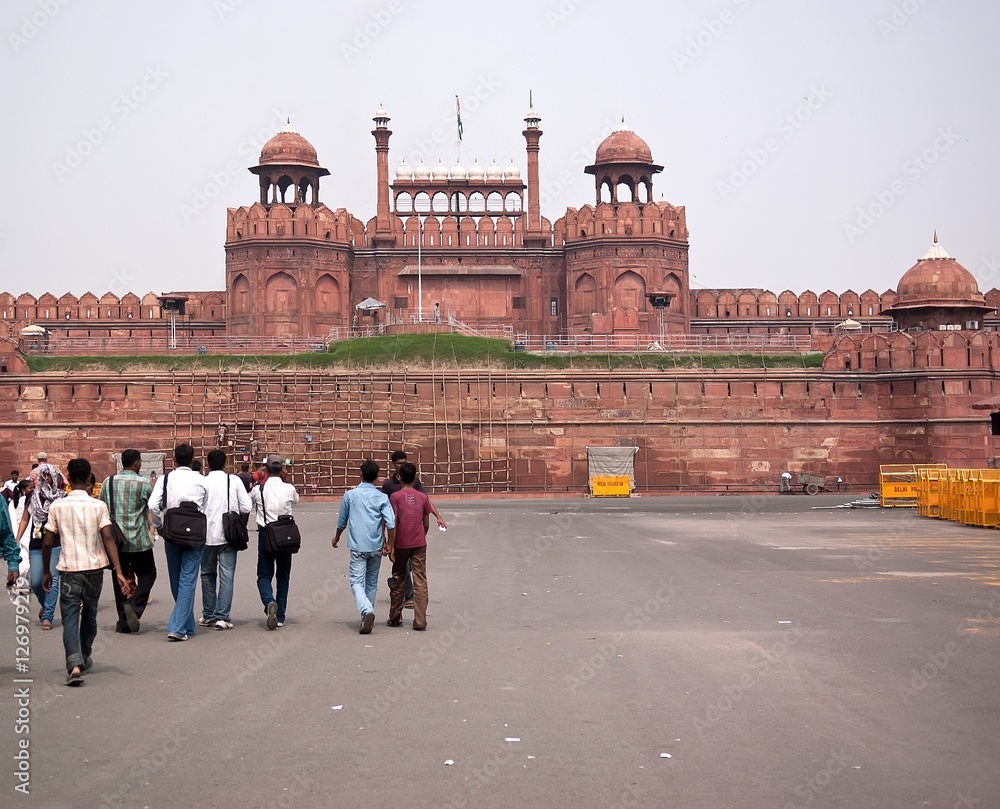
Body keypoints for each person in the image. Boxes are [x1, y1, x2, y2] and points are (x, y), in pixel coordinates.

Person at [42, 458, 133, 686]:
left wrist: (46, 571)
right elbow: (108, 537)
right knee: (90, 613)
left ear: (69, 479)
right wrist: (119, 570)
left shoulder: (57, 506)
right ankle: (83, 655)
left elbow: (47, 542)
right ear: (90, 478)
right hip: (94, 569)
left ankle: (74, 664)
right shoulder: (98, 506)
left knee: (71, 616)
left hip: (69, 569)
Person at [148, 444, 208, 642]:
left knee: (176, 578)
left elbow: (152, 505)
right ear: (192, 460)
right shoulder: (202, 480)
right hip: (194, 533)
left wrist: (158, 525)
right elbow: (206, 505)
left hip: (172, 531)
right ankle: (178, 627)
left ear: (175, 460)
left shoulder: (165, 479)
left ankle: (185, 623)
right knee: (188, 579)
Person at [333, 460, 395, 634]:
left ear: (360, 475)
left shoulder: (350, 496)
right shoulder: (382, 497)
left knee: (356, 582)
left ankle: (366, 611)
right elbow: (391, 523)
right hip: (376, 546)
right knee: (371, 583)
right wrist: (390, 544)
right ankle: (366, 616)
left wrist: (336, 538)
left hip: (358, 546)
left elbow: (342, 521)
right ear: (377, 478)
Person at [100, 449, 155, 635]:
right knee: (148, 574)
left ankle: (124, 622)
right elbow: (155, 506)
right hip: (139, 540)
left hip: (116, 541)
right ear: (137, 463)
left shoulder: (108, 483)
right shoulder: (144, 483)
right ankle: (134, 605)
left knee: (120, 580)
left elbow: (102, 508)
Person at [381, 450, 446, 608]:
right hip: (397, 532)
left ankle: (405, 595)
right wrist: (384, 535)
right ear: (393, 464)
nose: (402, 465)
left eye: (404, 462)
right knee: (404, 566)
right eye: (399, 463)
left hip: (412, 531)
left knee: (407, 566)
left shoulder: (414, 481)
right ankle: (405, 594)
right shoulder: (389, 486)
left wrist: (438, 516)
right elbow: (384, 511)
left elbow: (425, 501)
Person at [200, 449, 251, 630]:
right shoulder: (233, 480)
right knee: (227, 575)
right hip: (228, 534)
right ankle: (222, 617)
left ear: (208, 464)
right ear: (225, 463)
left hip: (205, 535)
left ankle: (208, 614)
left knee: (207, 574)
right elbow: (246, 506)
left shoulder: (202, 482)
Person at [250, 455, 299, 630]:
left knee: (264, 575)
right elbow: (296, 499)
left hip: (266, 533)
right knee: (283, 576)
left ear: (267, 469)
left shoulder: (259, 490)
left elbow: (248, 504)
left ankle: (269, 601)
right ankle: (280, 616)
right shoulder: (289, 488)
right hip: (285, 534)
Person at [16, 463, 65, 629]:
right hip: (37, 543)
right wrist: (18, 538)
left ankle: (48, 616)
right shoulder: (32, 496)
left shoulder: (61, 497)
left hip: (55, 543)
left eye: (50, 476)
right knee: (36, 581)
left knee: (53, 578)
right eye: (45, 476)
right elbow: (25, 518)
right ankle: (45, 604)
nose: (48, 479)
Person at [387, 462, 431, 631]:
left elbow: (393, 523)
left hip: (401, 543)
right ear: (414, 477)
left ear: (400, 477)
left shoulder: (395, 497)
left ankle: (395, 616)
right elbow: (426, 523)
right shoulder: (422, 497)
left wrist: (391, 544)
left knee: (399, 578)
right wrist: (420, 536)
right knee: (420, 579)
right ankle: (420, 620)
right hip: (419, 542)